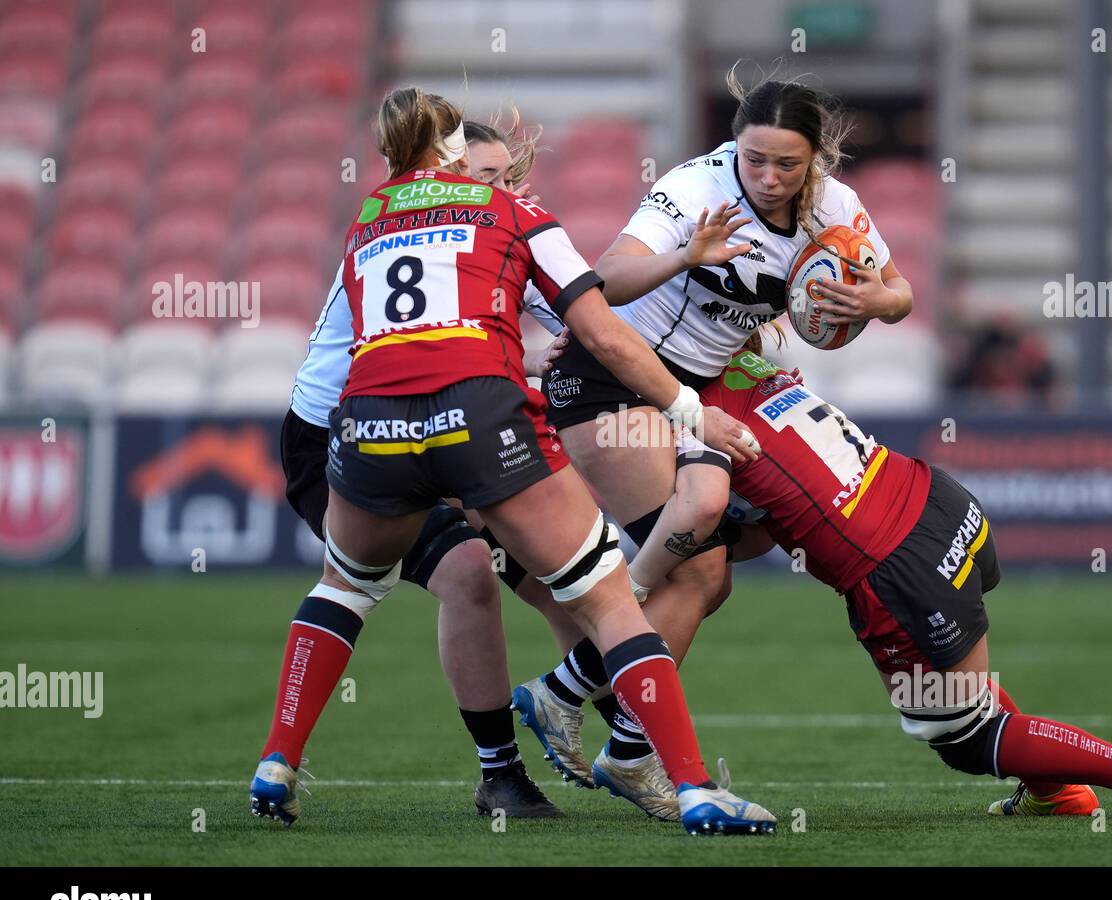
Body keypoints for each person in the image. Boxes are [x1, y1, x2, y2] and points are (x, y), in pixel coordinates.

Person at [250, 86, 775, 836]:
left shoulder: (366, 221)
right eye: (489, 173)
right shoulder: (511, 215)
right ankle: (682, 783)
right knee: (601, 596)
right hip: (432, 420)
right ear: (456, 160)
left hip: (367, 426)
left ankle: (279, 758)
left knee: (353, 586)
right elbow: (595, 328)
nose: (507, 185)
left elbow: (429, 324)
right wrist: (689, 410)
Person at [536, 344, 1112, 820]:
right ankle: (1059, 793)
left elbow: (702, 507)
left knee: (966, 737)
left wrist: (634, 582)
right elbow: (770, 523)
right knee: (959, 686)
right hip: (938, 502)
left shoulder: (698, 415)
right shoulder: (753, 367)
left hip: (896, 570)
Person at [513, 65, 912, 817]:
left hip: (688, 395)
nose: (765, 176)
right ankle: (615, 738)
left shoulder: (835, 206)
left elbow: (900, 295)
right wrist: (685, 258)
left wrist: (872, 299)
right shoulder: (696, 190)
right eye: (752, 157)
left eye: (785, 164)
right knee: (699, 571)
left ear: (815, 161)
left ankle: (575, 690)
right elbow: (609, 277)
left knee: (740, 549)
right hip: (608, 384)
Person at [263, 112, 575, 822]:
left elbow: (585, 326)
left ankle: (615, 734)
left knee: (562, 580)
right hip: (350, 434)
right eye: (477, 176)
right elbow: (416, 353)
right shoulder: (416, 234)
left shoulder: (489, 236)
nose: (493, 191)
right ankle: (499, 772)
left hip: (442, 423)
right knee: (464, 573)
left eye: (502, 179)